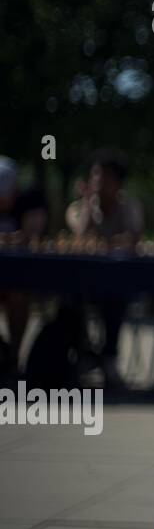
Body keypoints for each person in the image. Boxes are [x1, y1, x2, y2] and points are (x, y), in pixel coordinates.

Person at [65, 148, 144, 387]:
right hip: (83, 283)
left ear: (119, 183)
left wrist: (104, 243)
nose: (99, 182)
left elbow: (132, 238)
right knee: (69, 301)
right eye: (95, 175)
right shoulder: (78, 208)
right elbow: (80, 239)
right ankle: (82, 355)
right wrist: (90, 204)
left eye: (106, 177)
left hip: (115, 284)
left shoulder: (129, 206)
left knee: (116, 298)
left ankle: (108, 357)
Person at [0, 156, 49, 379]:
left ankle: (13, 356)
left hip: (20, 278)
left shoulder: (30, 199)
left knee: (18, 297)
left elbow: (32, 236)